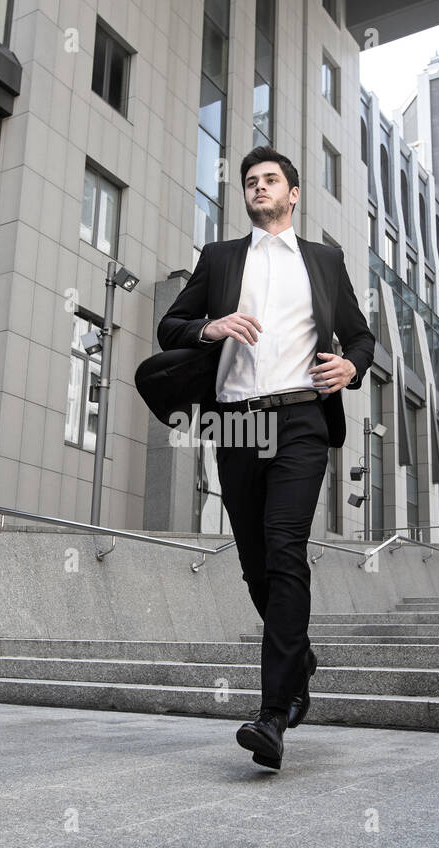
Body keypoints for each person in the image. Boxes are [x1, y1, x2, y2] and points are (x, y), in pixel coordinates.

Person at [152, 146, 375, 770]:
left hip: (302, 415)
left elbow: (359, 333)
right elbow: (171, 326)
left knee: (284, 548)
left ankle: (274, 713)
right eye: (250, 181)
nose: (258, 187)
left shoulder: (325, 261)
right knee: (254, 562)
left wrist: (351, 364)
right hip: (237, 421)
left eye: (270, 179)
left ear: (293, 193)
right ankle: (297, 656)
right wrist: (211, 327)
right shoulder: (221, 258)